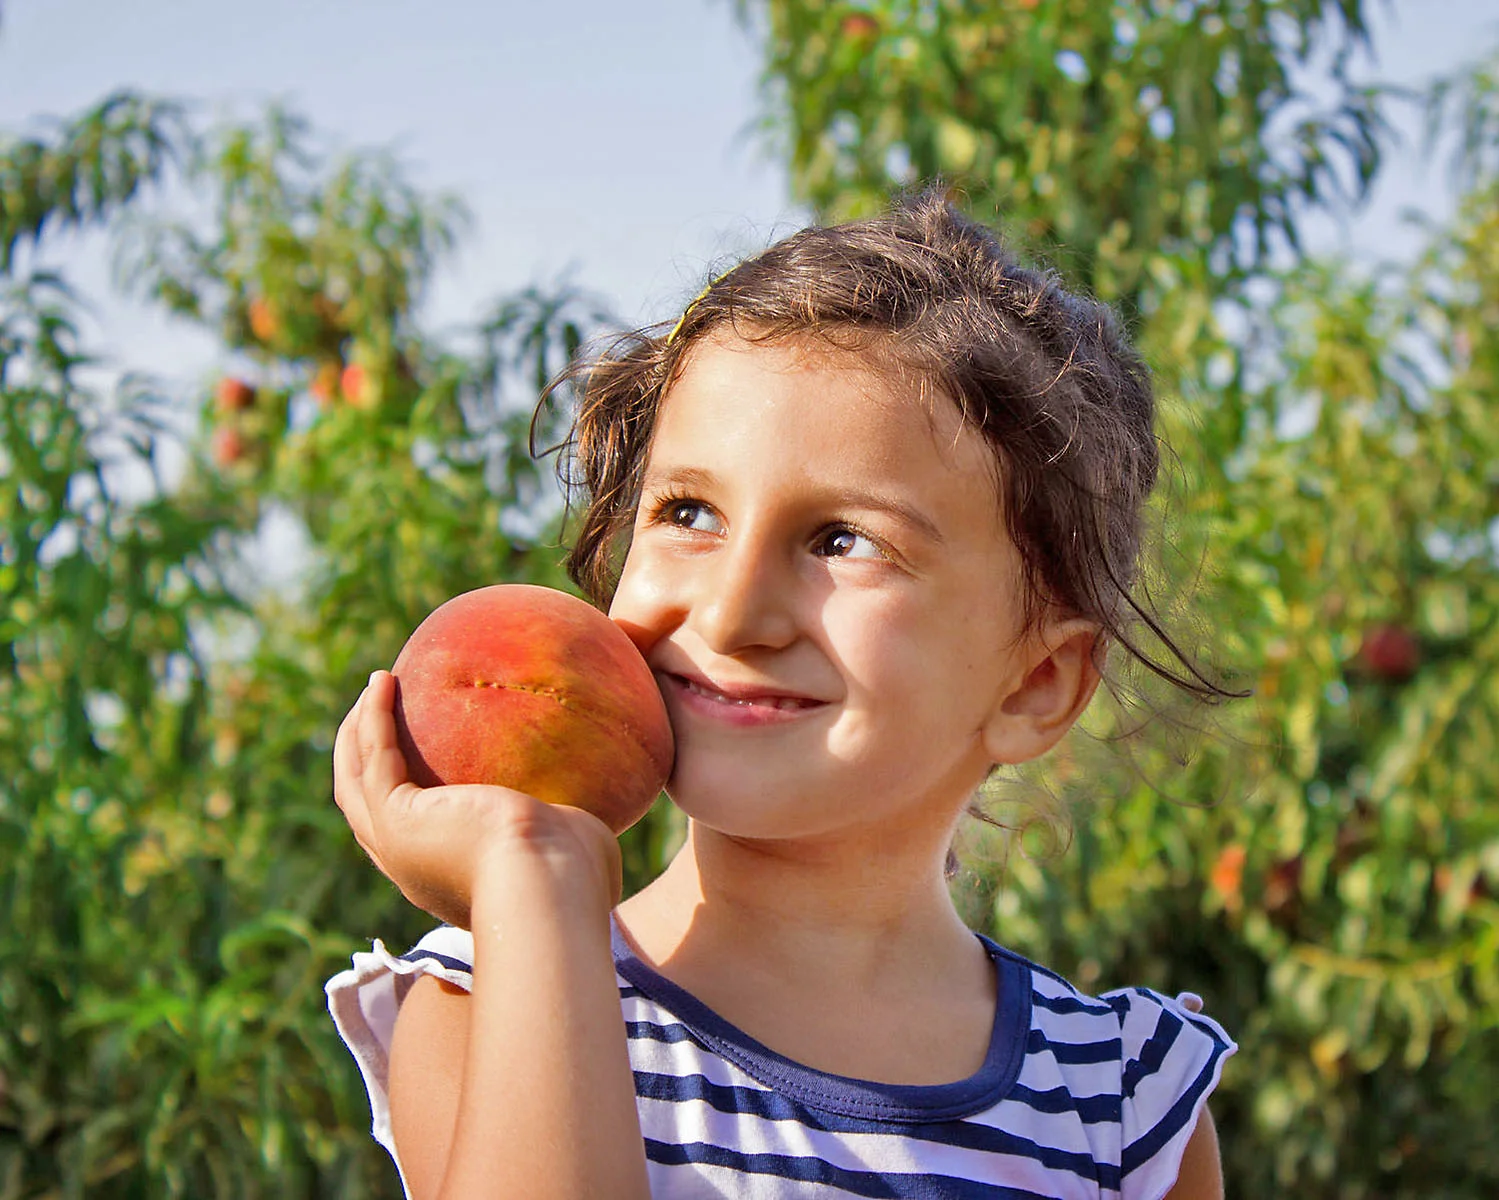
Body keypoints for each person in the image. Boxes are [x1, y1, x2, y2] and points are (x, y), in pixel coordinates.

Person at [326, 190, 1238, 1200]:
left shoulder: (1124, 1102)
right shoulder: (497, 992)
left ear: (1036, 681)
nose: (729, 612)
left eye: (843, 540)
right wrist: (533, 883)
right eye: (687, 512)